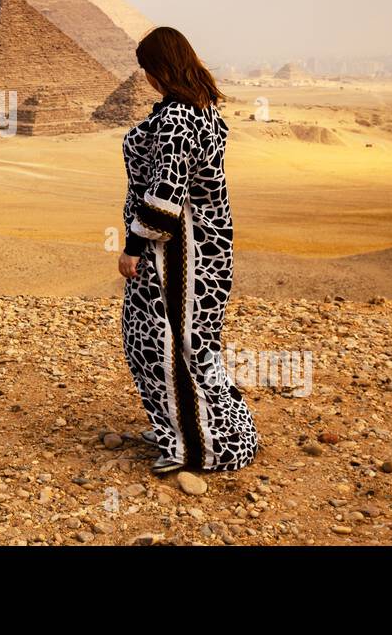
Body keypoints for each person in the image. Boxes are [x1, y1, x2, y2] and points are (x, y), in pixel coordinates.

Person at [117, 27, 259, 474]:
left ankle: (197, 448)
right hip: (203, 248)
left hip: (179, 257)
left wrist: (133, 247)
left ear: (161, 68)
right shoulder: (204, 111)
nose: (145, 79)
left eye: (147, 69)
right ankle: (180, 428)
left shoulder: (179, 119)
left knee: (167, 345)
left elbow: (166, 195)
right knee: (191, 347)